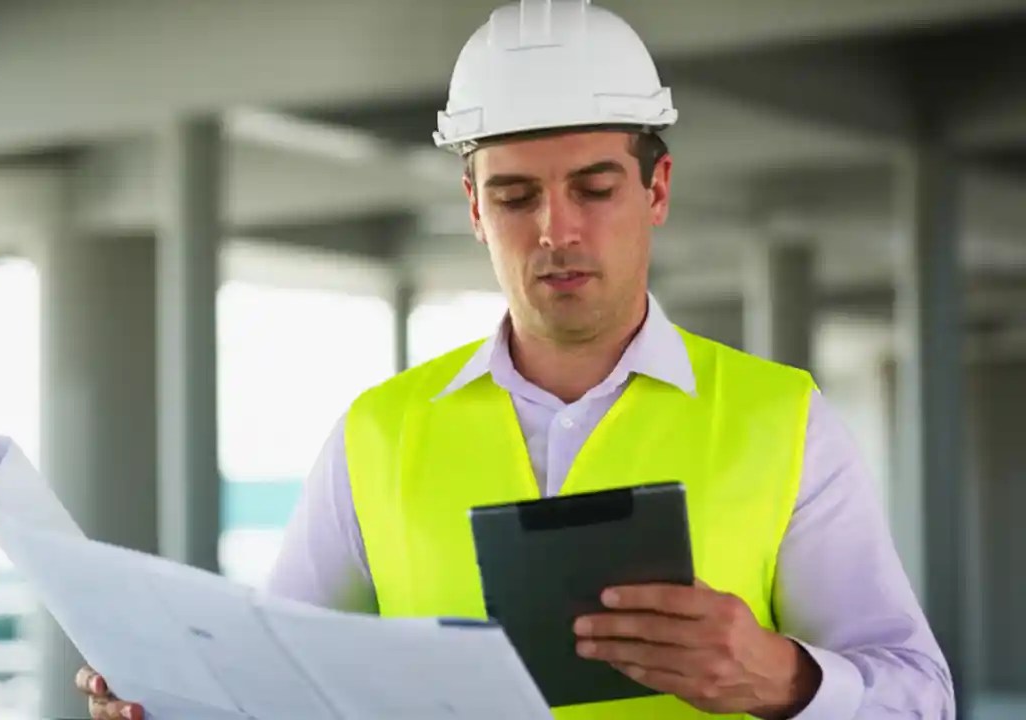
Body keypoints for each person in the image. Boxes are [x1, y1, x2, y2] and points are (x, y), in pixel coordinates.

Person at [78, 1, 954, 718]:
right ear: (473, 206)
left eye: (594, 188)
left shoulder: (783, 420)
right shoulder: (378, 435)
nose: (554, 230)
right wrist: (167, 697)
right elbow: (279, 694)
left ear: (656, 189)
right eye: (515, 195)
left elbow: (924, 699)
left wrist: (786, 681)